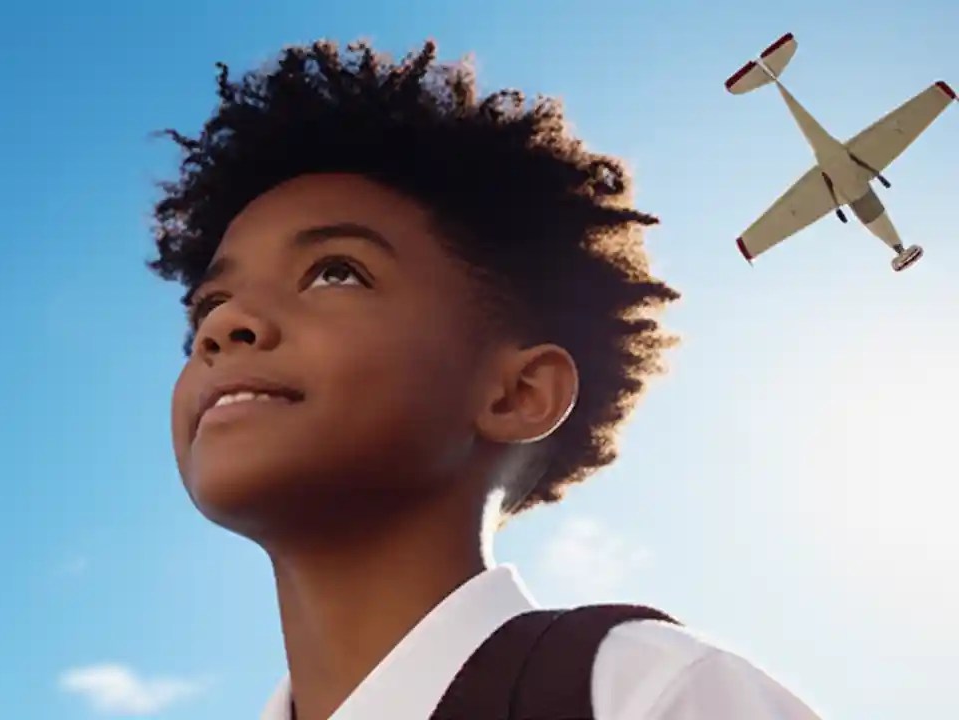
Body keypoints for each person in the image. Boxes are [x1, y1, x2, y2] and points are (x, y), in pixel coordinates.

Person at [148, 39, 823, 719]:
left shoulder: (644, 692)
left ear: (519, 393)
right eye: (208, 306)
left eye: (335, 273)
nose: (226, 326)